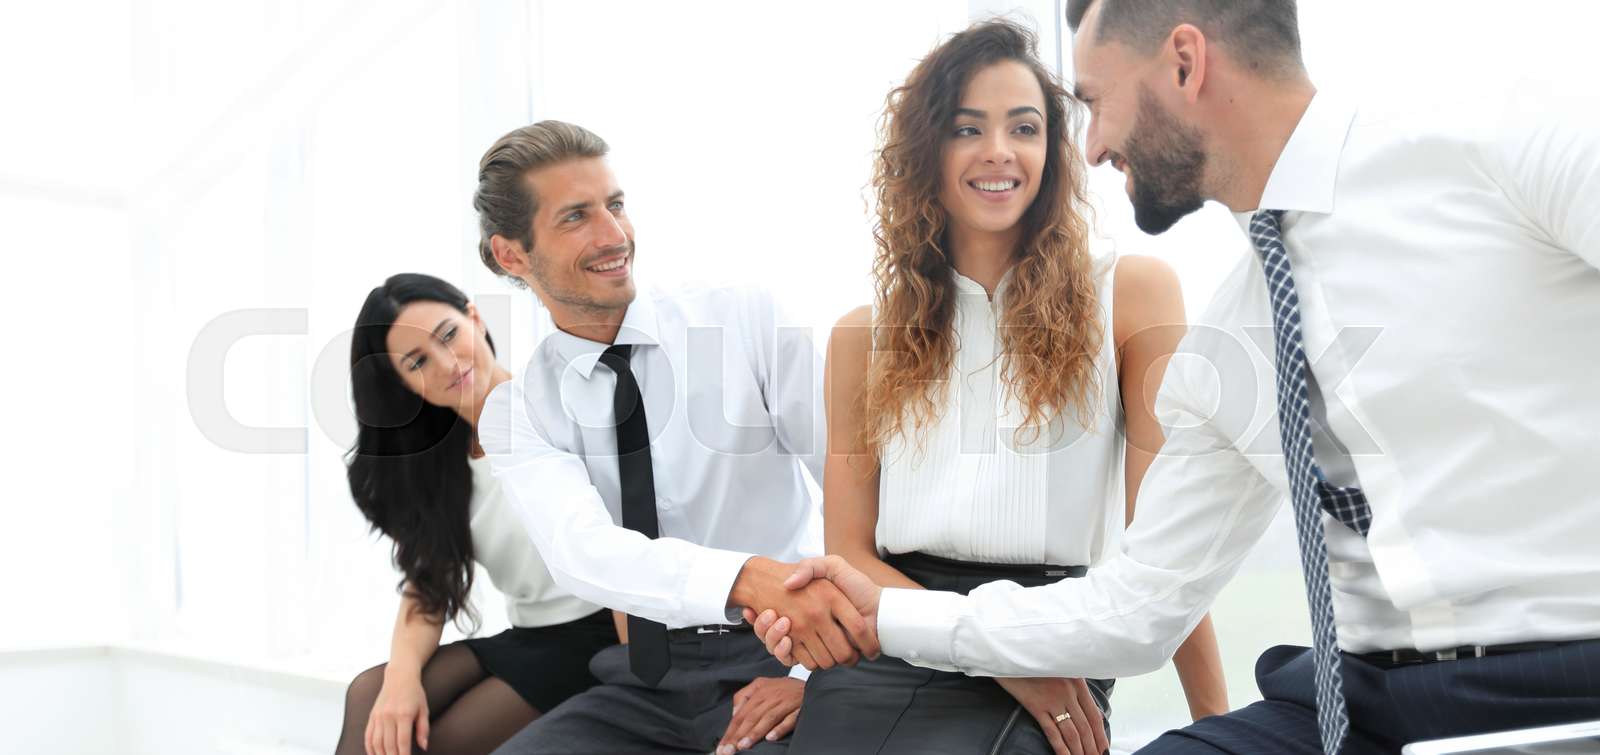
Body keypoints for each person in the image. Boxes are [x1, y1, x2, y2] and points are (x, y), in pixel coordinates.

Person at [754, 1, 1600, 753]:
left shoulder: (1499, 138)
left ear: (1185, 63)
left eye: (1088, 103)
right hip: (1357, 701)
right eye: (971, 127)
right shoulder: (1226, 344)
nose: (1086, 145)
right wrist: (879, 614)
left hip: (1567, 665)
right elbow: (1145, 599)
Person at [755, 20, 1226, 755]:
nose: (999, 150)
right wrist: (991, 655)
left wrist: (1216, 726)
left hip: (1054, 634)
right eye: (967, 128)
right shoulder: (860, 337)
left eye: (1025, 127)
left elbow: (1166, 545)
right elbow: (848, 551)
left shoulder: (1132, 294)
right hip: (896, 632)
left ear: (1052, 151)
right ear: (926, 153)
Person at [470, 121, 876, 755]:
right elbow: (584, 551)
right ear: (512, 255)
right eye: (576, 217)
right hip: (648, 677)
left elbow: (856, 497)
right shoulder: (519, 411)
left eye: (617, 205)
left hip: (789, 645)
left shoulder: (744, 316)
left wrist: (811, 675)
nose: (614, 236)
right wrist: (744, 576)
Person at [337, 273, 622, 755]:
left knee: (443, 744)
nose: (448, 364)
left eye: (448, 335)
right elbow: (427, 583)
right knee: (372, 695)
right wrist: (402, 680)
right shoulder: (442, 465)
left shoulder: (561, 407)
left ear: (473, 317)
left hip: (603, 632)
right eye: (418, 362)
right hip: (532, 634)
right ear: (404, 384)